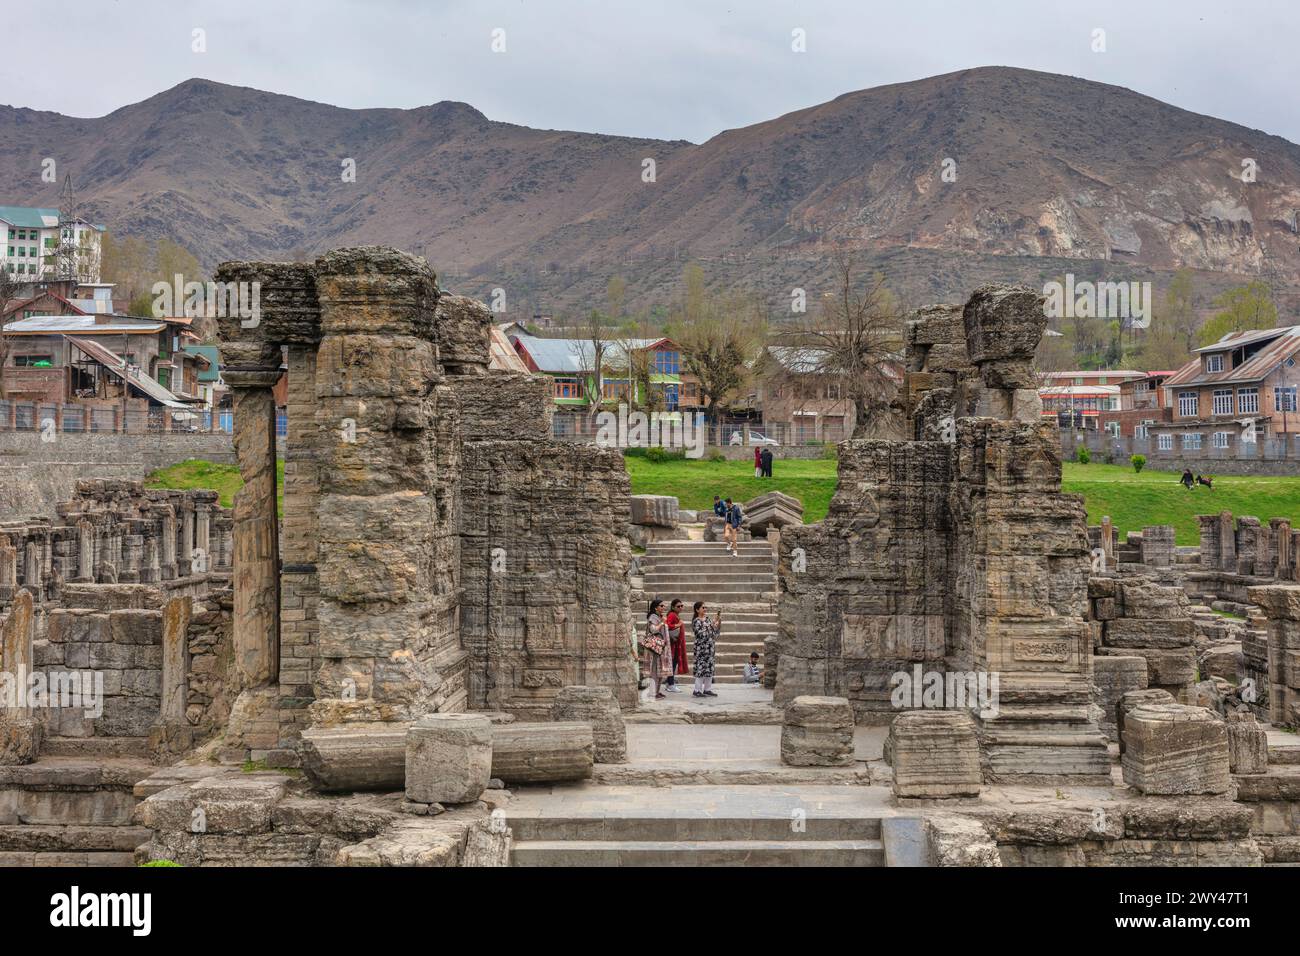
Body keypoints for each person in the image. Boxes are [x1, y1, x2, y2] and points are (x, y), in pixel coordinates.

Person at [642, 599, 671, 700]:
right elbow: (653, 629)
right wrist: (662, 623)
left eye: (664, 606)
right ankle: (653, 693)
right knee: (654, 670)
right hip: (655, 647)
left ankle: (657, 691)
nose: (663, 607)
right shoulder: (653, 617)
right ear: (656, 607)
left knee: (659, 670)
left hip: (661, 647)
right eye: (661, 606)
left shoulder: (660, 617)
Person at [691, 600, 720, 697]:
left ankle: (707, 689)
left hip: (710, 647)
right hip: (701, 648)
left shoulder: (707, 619)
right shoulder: (696, 621)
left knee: (710, 668)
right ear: (697, 610)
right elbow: (700, 634)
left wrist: (717, 624)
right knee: (701, 668)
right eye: (703, 607)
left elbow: (714, 633)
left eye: (705, 607)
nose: (705, 609)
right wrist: (711, 625)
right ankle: (697, 690)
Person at [664, 599, 687, 692]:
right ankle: (671, 684)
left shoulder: (675, 615)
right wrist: (678, 624)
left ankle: (669, 683)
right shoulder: (672, 615)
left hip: (677, 644)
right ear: (673, 607)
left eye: (682, 606)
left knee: (673, 664)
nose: (680, 608)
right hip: (673, 645)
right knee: (672, 664)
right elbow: (667, 625)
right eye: (678, 606)